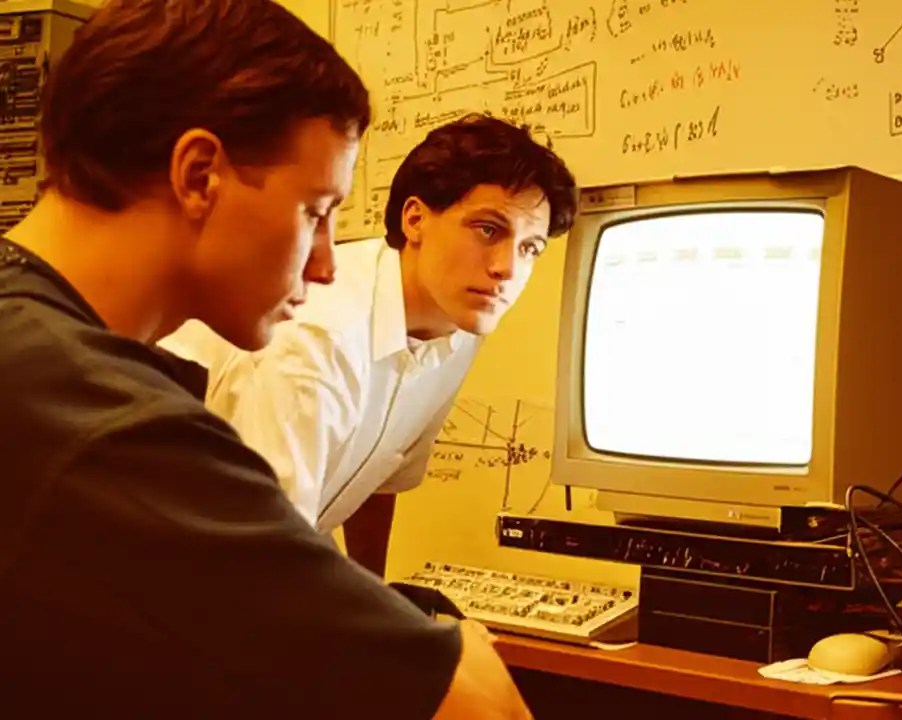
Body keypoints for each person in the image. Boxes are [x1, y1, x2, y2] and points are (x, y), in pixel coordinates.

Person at [0, 2, 528, 717]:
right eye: (315, 211)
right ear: (199, 176)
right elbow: (474, 703)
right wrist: (453, 648)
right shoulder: (99, 420)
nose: (326, 266)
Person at [161, 113, 579, 573]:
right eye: (488, 230)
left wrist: (379, 588)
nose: (507, 269)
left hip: (261, 553)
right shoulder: (318, 336)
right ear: (415, 219)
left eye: (530, 248)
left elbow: (378, 478)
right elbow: (266, 545)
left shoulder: (457, 325)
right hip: (175, 560)